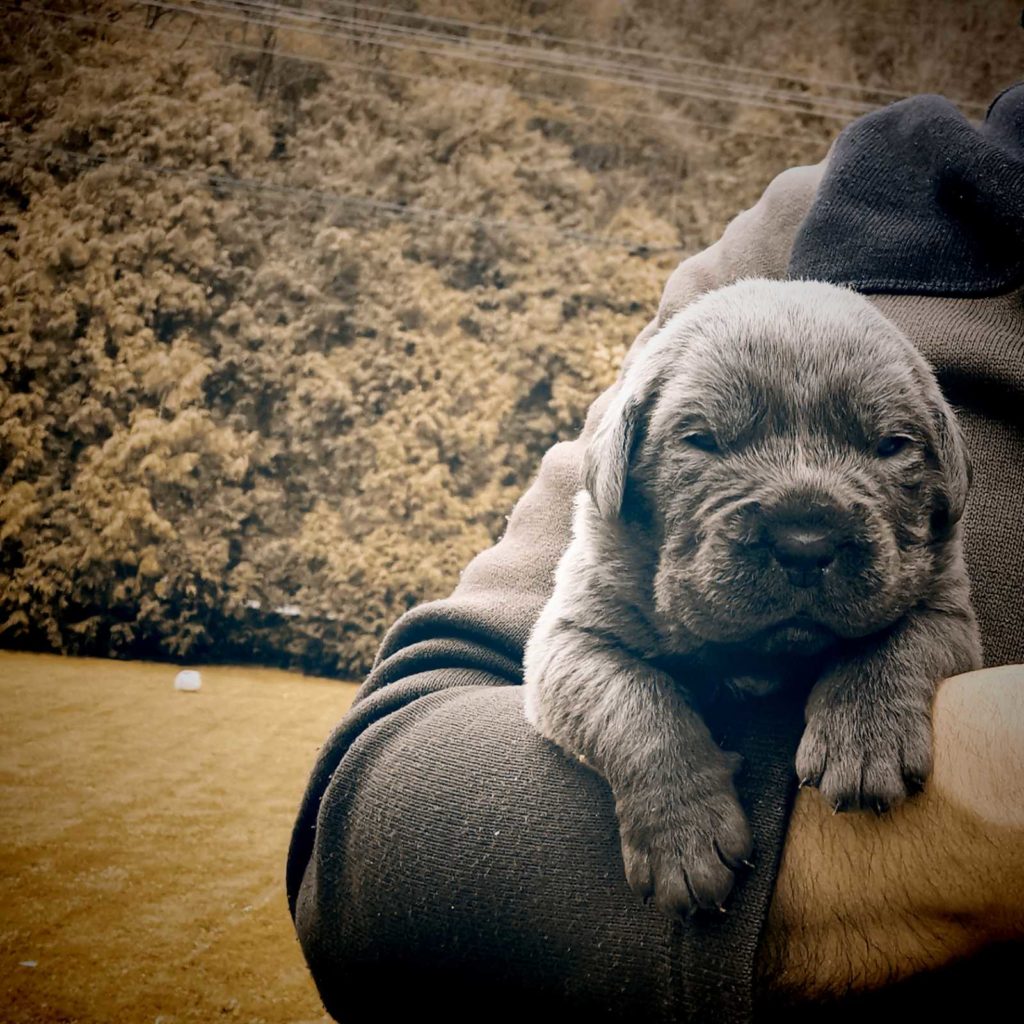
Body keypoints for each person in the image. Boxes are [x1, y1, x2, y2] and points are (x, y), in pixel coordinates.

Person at [286, 84, 1024, 1022]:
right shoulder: (833, 217)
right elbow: (401, 802)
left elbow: (937, 610)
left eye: (886, 449)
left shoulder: (924, 505)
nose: (806, 531)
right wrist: (668, 783)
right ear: (625, 463)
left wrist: (890, 673)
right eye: (707, 443)